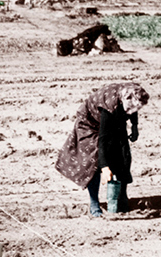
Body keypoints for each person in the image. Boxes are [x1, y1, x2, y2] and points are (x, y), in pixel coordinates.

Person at [55, 82, 149, 217]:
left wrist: (134, 126)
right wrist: (104, 167)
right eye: (129, 109)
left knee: (124, 155)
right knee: (94, 158)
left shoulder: (132, 95)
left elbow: (133, 108)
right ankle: (94, 202)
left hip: (117, 114)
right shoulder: (109, 107)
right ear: (123, 100)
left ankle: (121, 195)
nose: (131, 112)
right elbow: (103, 140)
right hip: (90, 123)